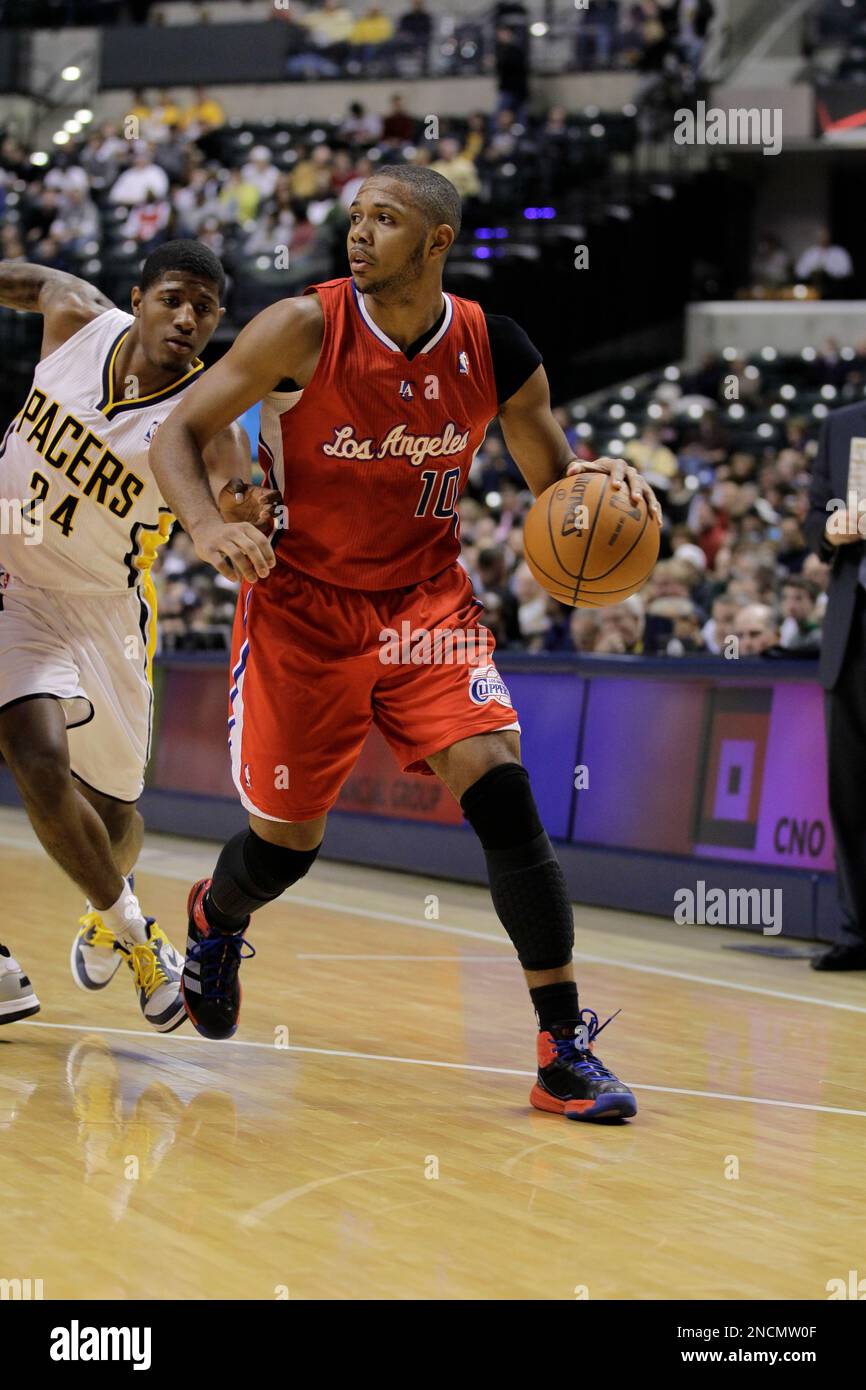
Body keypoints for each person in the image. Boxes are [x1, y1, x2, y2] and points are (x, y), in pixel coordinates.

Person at [151, 165, 662, 1123]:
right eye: (354, 218)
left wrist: (606, 482)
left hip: (427, 607)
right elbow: (182, 432)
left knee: (502, 784)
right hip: (300, 607)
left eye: (384, 220)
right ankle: (214, 920)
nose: (359, 234)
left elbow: (560, 484)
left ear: (437, 241)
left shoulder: (497, 348)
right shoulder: (303, 327)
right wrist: (205, 526)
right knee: (287, 845)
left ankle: (561, 1046)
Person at [0, 240, 279, 1028]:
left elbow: (235, 498)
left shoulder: (205, 422)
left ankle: (105, 907)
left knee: (117, 818)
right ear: (138, 297)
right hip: (12, 580)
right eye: (172, 299)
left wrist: (246, 519)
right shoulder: (74, 317)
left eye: (205, 308)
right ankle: (135, 933)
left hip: (106, 611)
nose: (187, 318)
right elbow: (32, 277)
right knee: (35, 753)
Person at [806, 403, 866, 968]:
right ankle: (857, 929)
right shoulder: (844, 424)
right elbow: (815, 511)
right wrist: (829, 526)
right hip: (853, 629)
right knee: (850, 791)